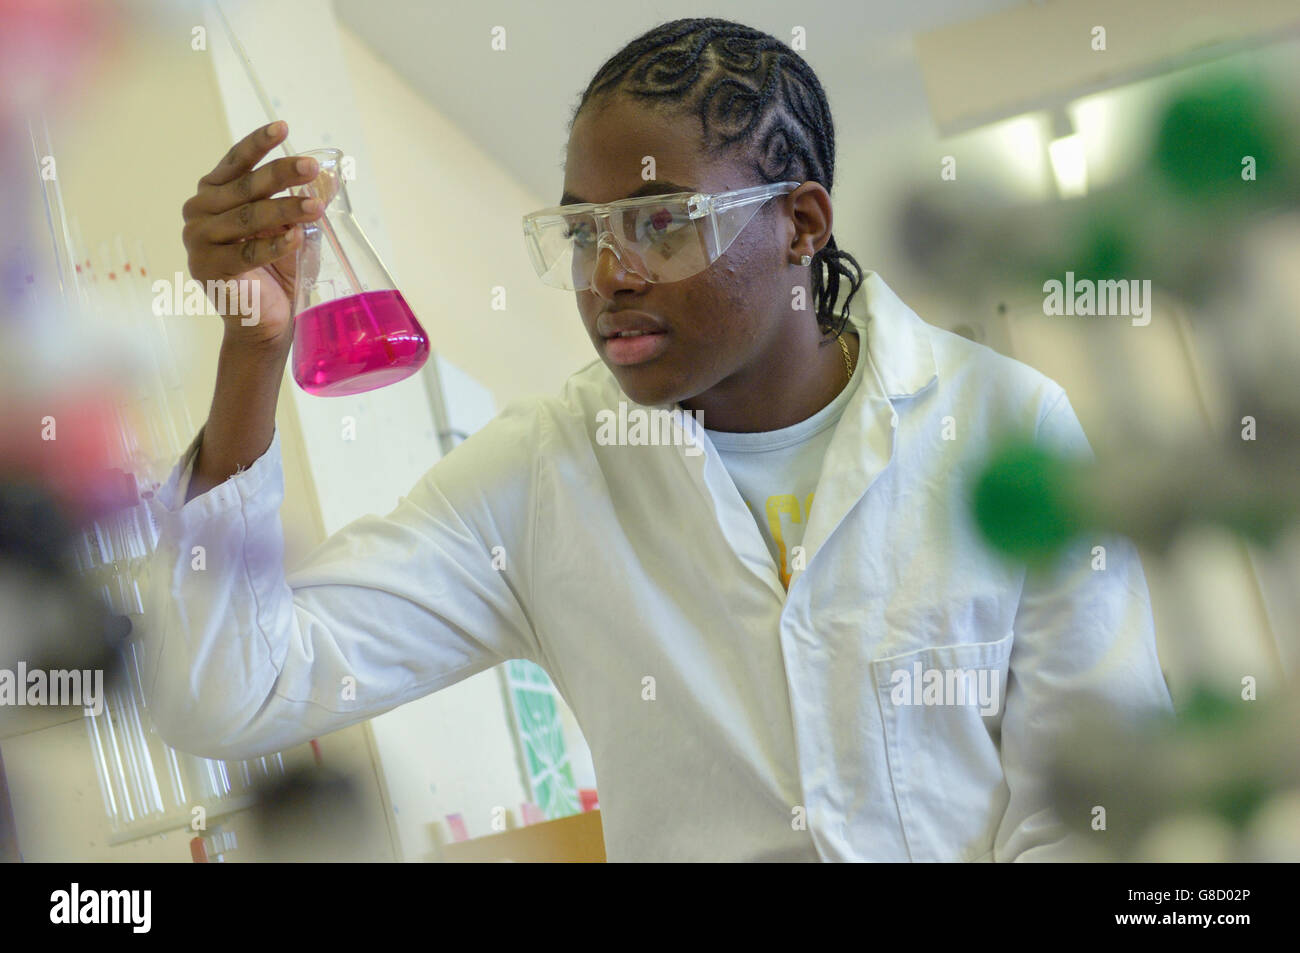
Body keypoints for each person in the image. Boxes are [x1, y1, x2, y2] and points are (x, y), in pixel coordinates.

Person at [152, 17, 1171, 861]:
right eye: (584, 233)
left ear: (801, 224)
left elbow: (1098, 804)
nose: (610, 275)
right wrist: (254, 349)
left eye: (660, 222)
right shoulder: (543, 473)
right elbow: (231, 695)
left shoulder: (1001, 424)